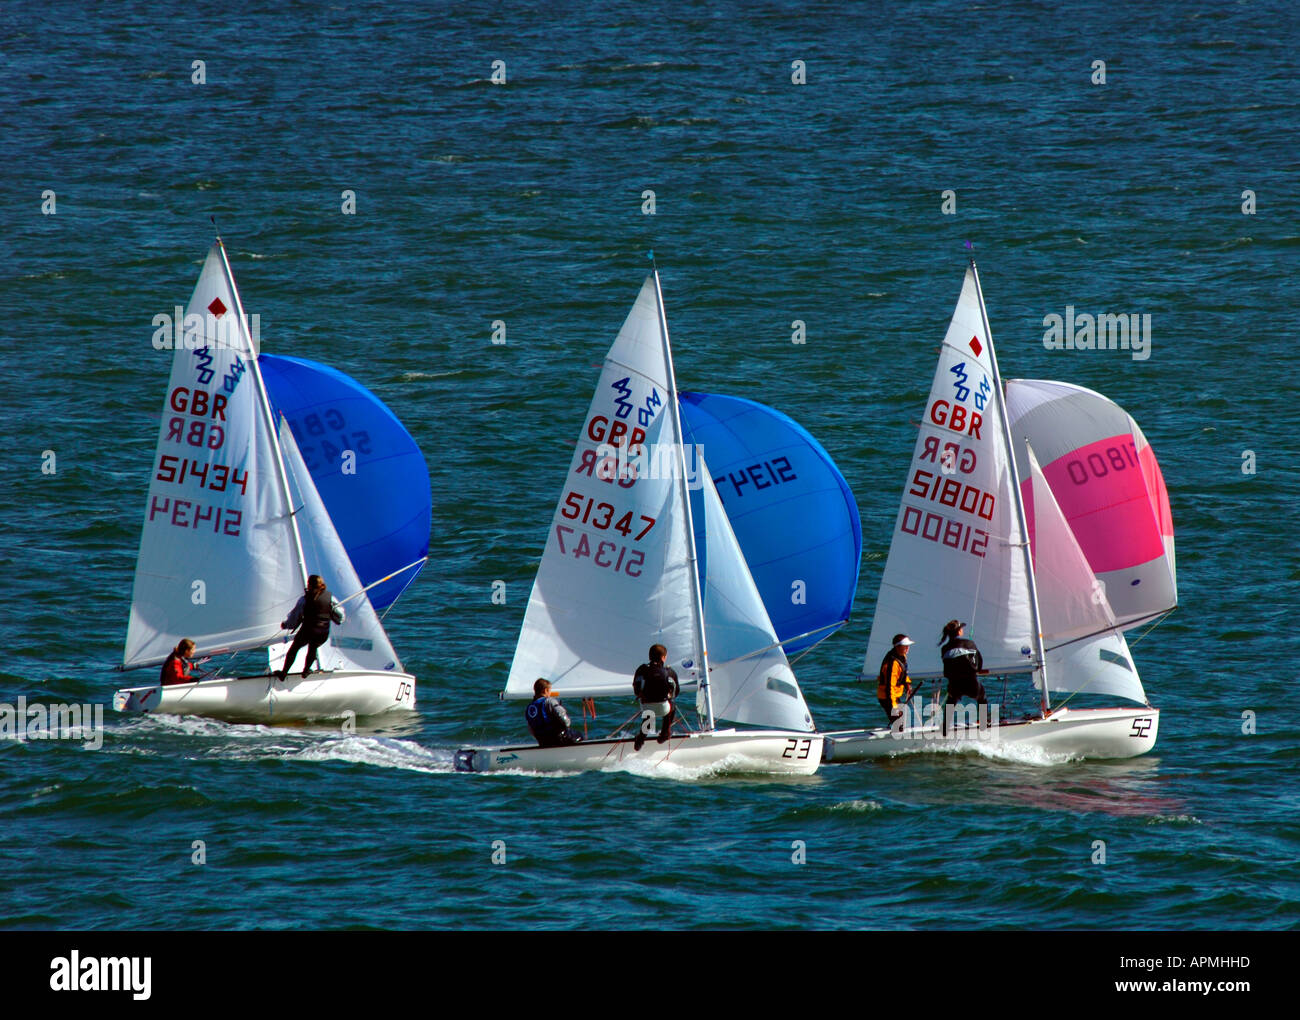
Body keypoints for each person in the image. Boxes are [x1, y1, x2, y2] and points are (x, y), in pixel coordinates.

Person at [276, 574, 344, 680]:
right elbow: (340, 617)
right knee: (313, 647)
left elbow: (294, 617)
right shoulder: (330, 598)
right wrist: (332, 615)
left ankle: (283, 673)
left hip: (308, 631)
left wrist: (285, 625)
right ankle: (306, 671)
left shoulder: (304, 600)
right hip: (323, 633)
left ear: (309, 585)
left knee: (294, 649)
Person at [632, 643, 680, 749]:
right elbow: (676, 692)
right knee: (672, 705)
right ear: (663, 657)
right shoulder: (669, 671)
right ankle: (665, 733)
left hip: (646, 707)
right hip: (664, 708)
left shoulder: (642, 669)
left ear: (649, 657)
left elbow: (636, 689)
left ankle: (641, 738)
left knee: (649, 714)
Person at [940, 620, 986, 729]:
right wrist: (978, 669)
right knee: (982, 697)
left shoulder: (944, 648)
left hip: (954, 683)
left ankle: (945, 726)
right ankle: (983, 722)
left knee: (951, 701)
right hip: (971, 682)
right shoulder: (970, 643)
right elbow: (979, 661)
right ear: (959, 631)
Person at [525, 679, 583, 747]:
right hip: (557, 738)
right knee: (579, 735)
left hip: (542, 741)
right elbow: (566, 721)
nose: (550, 693)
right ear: (545, 690)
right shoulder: (549, 702)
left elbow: (530, 728)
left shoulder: (529, 707)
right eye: (549, 691)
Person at [876, 633, 915, 727]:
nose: (907, 648)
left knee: (903, 717)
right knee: (899, 721)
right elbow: (890, 686)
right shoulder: (892, 663)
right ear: (897, 647)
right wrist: (893, 705)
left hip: (895, 695)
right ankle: (897, 736)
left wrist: (907, 684)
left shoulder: (902, 656)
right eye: (905, 646)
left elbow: (903, 674)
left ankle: (898, 733)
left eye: (908, 646)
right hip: (887, 697)